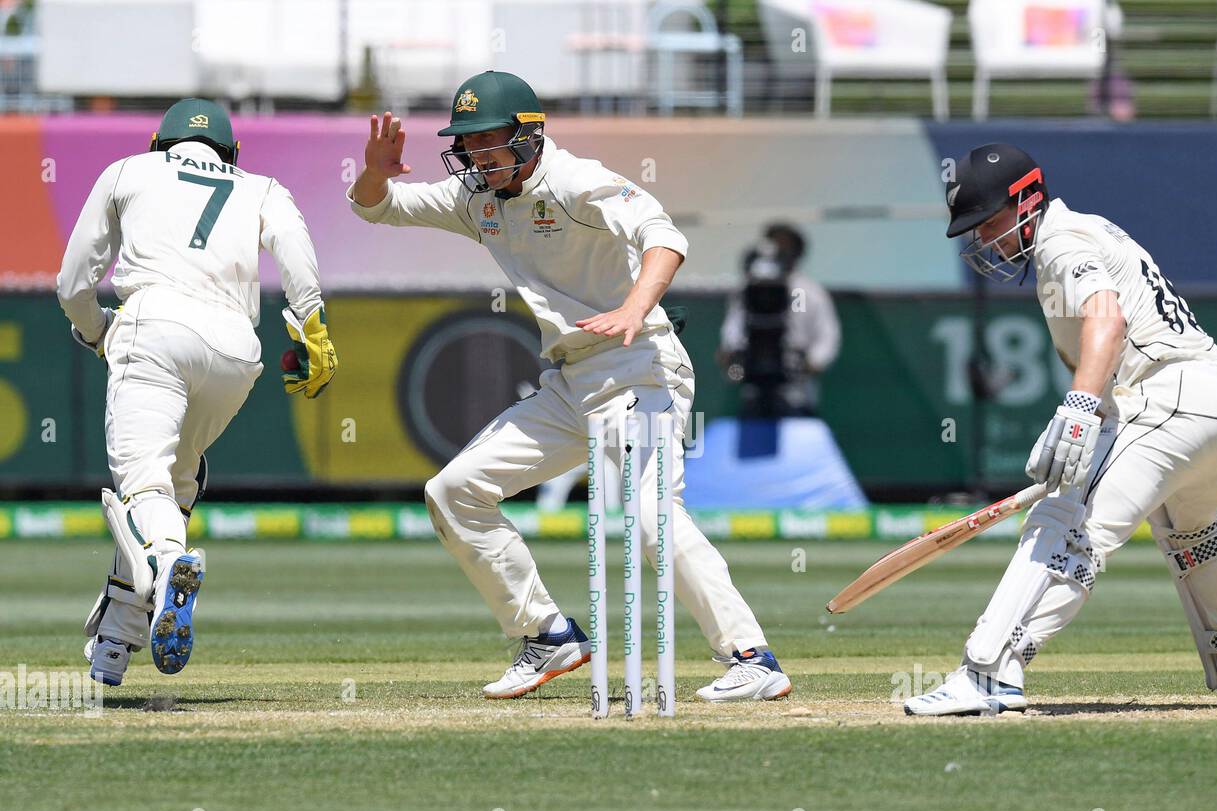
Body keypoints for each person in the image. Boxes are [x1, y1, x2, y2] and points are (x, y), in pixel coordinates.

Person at [347, 70, 790, 703]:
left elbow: (665, 236)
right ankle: (548, 636)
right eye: (467, 144)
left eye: (489, 142)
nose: (476, 157)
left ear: (528, 136)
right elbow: (376, 207)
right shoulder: (479, 199)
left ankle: (751, 656)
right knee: (454, 491)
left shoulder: (578, 179)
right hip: (571, 378)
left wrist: (636, 308)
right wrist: (375, 171)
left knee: (648, 515)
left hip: (641, 364)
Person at [904, 143, 1217, 716]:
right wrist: (1094, 413)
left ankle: (988, 672)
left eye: (989, 224)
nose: (984, 240)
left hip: (1174, 399)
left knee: (1067, 519)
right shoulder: (1089, 227)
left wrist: (1080, 408)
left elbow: (1107, 318)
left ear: (1027, 198)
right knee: (1198, 536)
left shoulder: (1060, 241)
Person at [57, 98, 336, 686]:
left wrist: (95, 331)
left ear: (160, 142)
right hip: (237, 350)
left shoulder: (129, 170)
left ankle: (164, 567)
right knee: (174, 487)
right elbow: (298, 255)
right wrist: (310, 326)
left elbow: (74, 280)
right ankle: (116, 642)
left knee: (142, 489)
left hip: (153, 327)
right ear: (232, 154)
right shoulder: (261, 186)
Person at [718, 223, 840, 417]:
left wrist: (812, 362)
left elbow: (828, 337)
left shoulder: (809, 291)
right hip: (753, 391)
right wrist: (732, 352)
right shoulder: (747, 288)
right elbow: (734, 326)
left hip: (796, 393)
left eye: (784, 246)